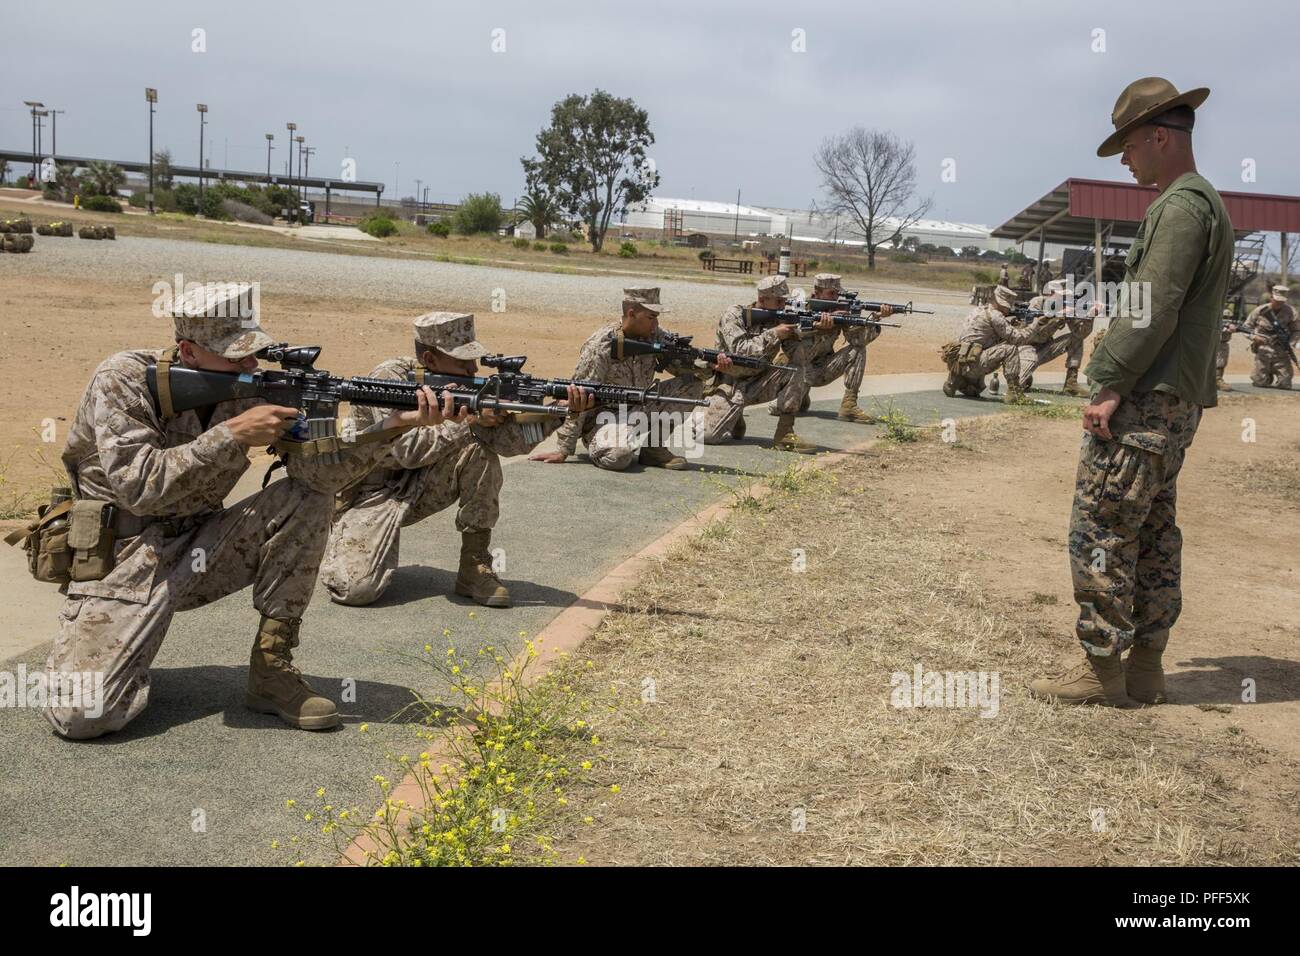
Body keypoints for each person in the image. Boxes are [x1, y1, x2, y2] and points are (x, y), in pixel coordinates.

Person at [34, 284, 449, 738]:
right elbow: (140, 489)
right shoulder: (125, 378)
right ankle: (112, 647)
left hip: (203, 546)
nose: (251, 366)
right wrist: (231, 435)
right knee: (82, 716)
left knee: (304, 497)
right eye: (236, 358)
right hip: (122, 558)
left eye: (255, 354)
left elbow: (321, 481)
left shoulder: (255, 388)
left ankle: (272, 669)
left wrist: (390, 428)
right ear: (188, 350)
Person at [1030, 76, 1233, 706]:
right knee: (1151, 529)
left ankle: (1100, 671)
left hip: (1148, 397)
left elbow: (1154, 306)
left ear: (1159, 137)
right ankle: (1144, 668)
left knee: (1102, 526)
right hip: (1174, 398)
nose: (1124, 157)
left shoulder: (1178, 206)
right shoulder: (1203, 203)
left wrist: (1110, 382)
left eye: (1128, 144)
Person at [321, 311, 593, 609]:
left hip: (422, 484)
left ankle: (474, 567)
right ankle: (339, 537)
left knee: (478, 450)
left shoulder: (468, 386)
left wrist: (558, 411)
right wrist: (469, 422)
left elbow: (506, 444)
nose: (473, 370)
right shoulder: (389, 379)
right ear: (431, 359)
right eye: (463, 363)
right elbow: (405, 452)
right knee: (356, 591)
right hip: (368, 494)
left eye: (474, 361)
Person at [530, 288, 725, 470]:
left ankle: (653, 450)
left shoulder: (654, 335)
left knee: (691, 385)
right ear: (631, 314)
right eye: (651, 317)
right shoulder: (601, 346)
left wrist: (710, 366)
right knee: (619, 457)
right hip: (603, 419)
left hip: (641, 406)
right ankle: (607, 443)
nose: (656, 324)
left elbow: (681, 369)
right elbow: (578, 396)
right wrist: (564, 449)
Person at [701, 275, 818, 453]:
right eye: (778, 301)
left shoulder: (780, 318)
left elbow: (801, 358)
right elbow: (740, 349)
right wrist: (775, 334)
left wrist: (806, 333)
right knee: (708, 436)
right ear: (762, 300)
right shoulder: (734, 315)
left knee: (794, 369)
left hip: (760, 382)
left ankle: (785, 433)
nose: (782, 306)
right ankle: (735, 415)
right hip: (728, 384)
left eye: (784, 301)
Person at [768, 273, 893, 423]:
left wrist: (875, 318)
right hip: (796, 371)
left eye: (838, 294)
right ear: (816, 293)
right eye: (831, 293)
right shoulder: (799, 306)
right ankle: (800, 394)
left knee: (858, 350)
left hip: (822, 369)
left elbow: (859, 340)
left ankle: (849, 405)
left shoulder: (839, 310)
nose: (836, 297)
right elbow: (789, 335)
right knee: (777, 409)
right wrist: (817, 327)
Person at [942, 284, 1051, 400]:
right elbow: (1019, 339)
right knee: (1010, 349)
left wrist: (1014, 326)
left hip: (959, 361)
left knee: (975, 390)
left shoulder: (979, 310)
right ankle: (1014, 392)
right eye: (1006, 306)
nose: (1008, 309)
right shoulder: (996, 316)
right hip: (973, 363)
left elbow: (987, 337)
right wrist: (1036, 325)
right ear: (999, 303)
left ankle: (956, 380)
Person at [1242, 285, 1297, 389]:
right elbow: (1245, 327)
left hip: (1281, 352)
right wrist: (1254, 337)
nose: (1279, 303)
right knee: (1259, 383)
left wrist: (1290, 344)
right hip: (1263, 350)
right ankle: (1266, 376)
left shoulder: (1291, 312)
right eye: (1277, 300)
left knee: (1285, 384)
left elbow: (1296, 331)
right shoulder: (1260, 310)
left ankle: (1272, 373)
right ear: (1271, 297)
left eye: (1282, 301)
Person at [1215, 305, 1238, 391]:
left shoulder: (1228, 325)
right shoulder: (1215, 321)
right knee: (1218, 363)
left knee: (1221, 363)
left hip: (1223, 344)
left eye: (1230, 317)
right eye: (1225, 317)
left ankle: (1217, 379)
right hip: (1215, 343)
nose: (1227, 319)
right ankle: (1216, 380)